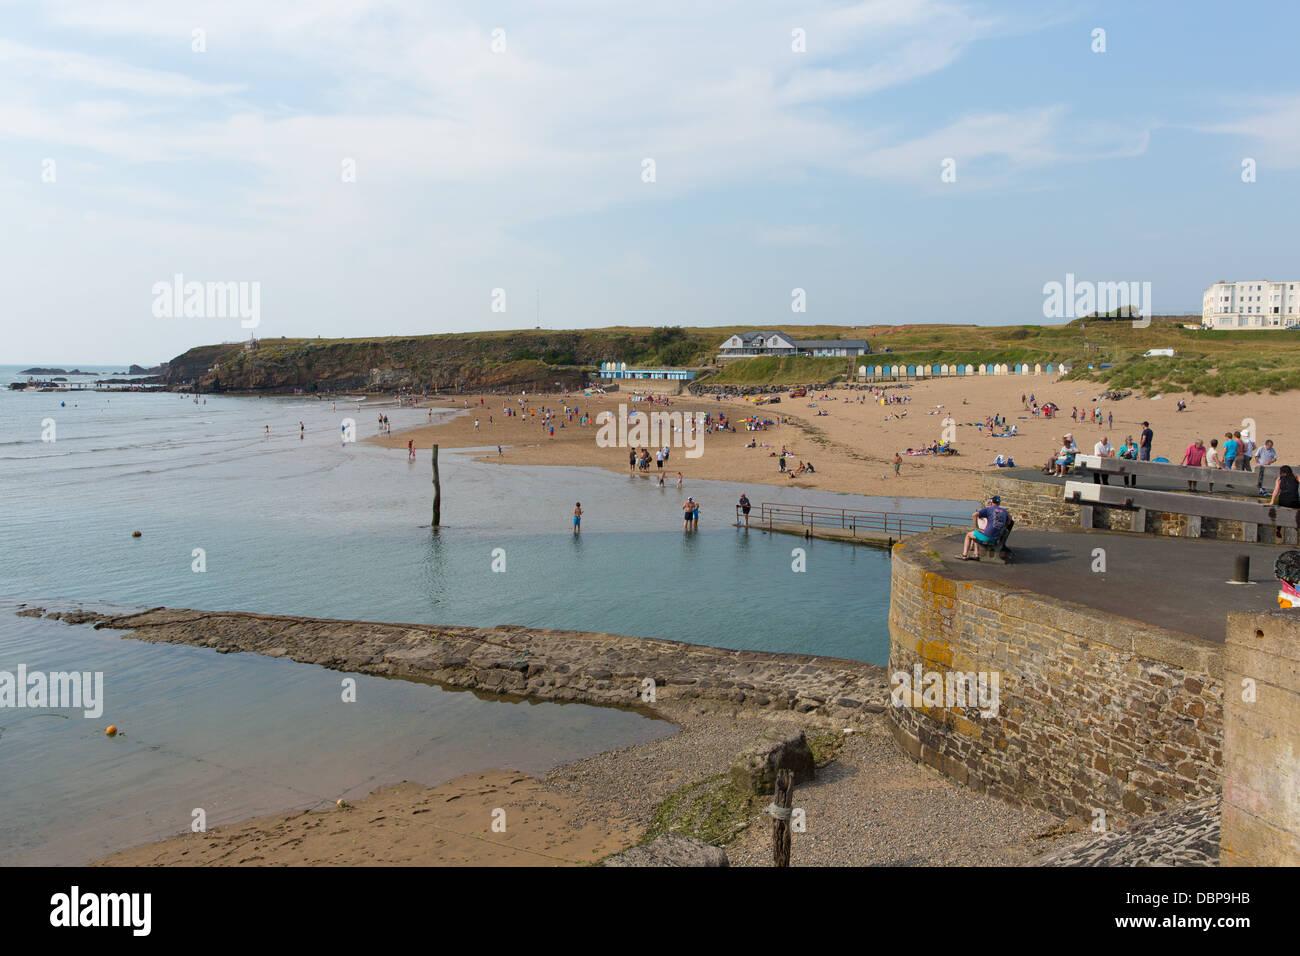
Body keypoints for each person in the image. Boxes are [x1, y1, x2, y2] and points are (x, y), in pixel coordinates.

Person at [959, 495, 1010, 560]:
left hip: (988, 538)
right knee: (976, 533)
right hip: (997, 537)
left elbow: (974, 515)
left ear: (991, 503)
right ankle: (976, 554)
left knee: (968, 535)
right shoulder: (1004, 511)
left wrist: (977, 528)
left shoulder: (988, 509)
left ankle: (964, 555)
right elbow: (1008, 522)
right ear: (999, 503)